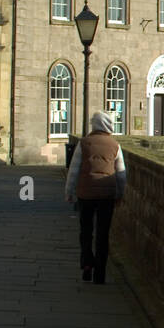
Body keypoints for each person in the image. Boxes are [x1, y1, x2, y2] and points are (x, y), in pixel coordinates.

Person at [64, 112, 126, 284]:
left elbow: (74, 170)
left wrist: (69, 192)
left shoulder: (84, 143)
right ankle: (100, 274)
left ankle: (86, 264)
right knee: (103, 233)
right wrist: (120, 194)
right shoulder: (115, 145)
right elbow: (121, 174)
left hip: (86, 194)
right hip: (107, 195)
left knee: (86, 231)